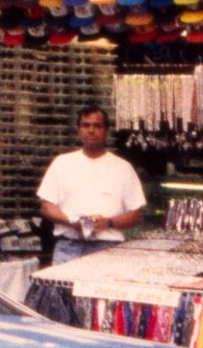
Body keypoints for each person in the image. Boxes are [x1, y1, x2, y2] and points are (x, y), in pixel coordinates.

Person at [37, 106, 146, 264]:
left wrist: (109, 222)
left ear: (107, 132)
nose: (91, 130)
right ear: (78, 131)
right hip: (67, 249)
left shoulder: (123, 168)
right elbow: (46, 207)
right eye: (85, 125)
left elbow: (137, 215)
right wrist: (71, 221)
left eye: (97, 126)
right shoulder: (62, 163)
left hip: (108, 250)